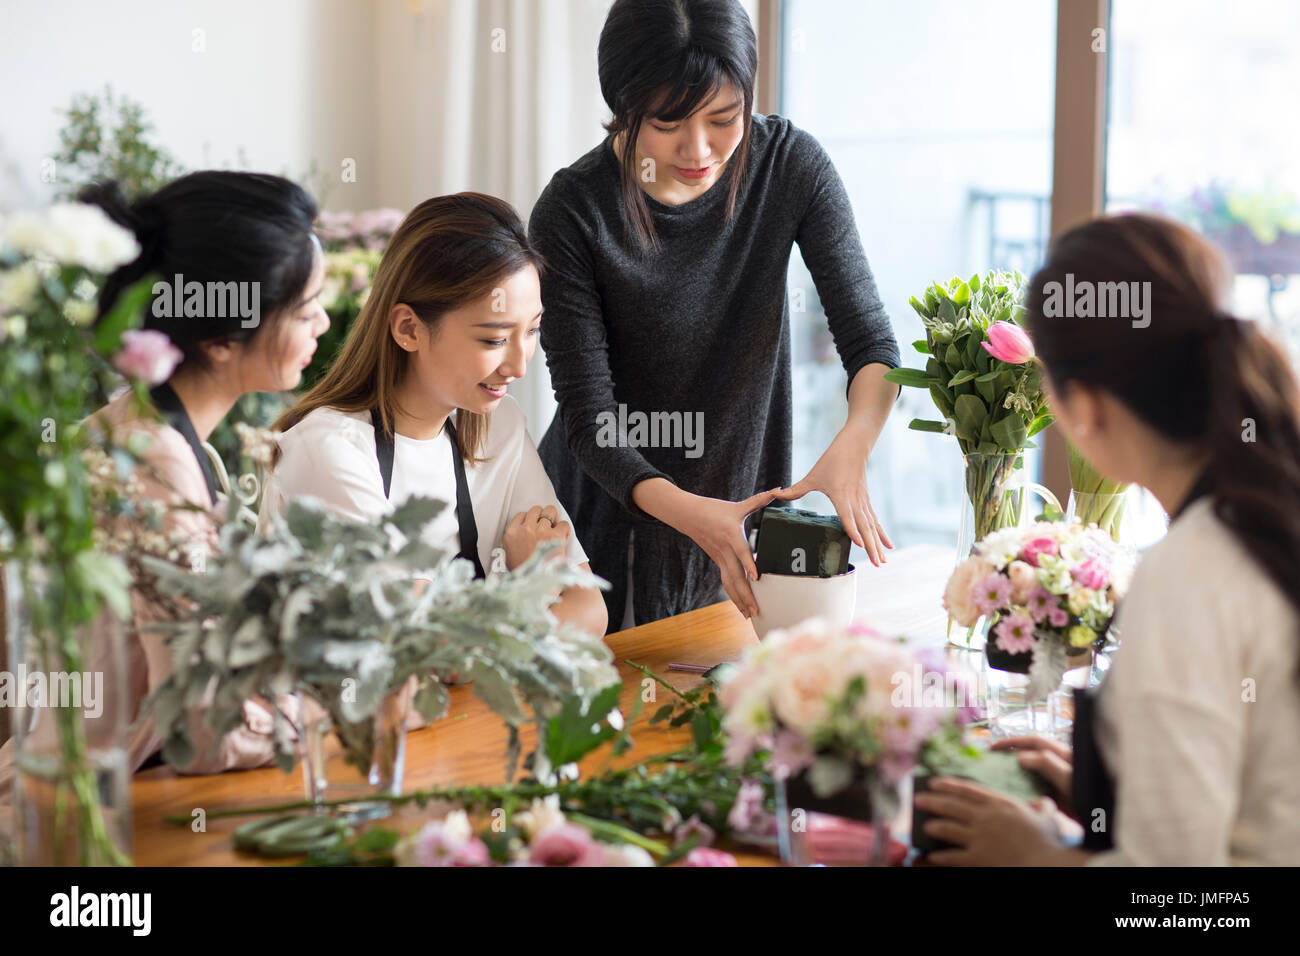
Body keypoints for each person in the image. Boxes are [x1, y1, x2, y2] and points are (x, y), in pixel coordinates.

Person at [916, 213, 1300, 865]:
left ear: (1084, 406)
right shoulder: (1264, 513)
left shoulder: (1190, 578)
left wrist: (1039, 858)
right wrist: (1116, 794)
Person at [530, 0, 901, 630]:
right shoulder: (573, 212)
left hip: (738, 520)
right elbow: (592, 421)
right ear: (624, 107)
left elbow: (870, 341)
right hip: (603, 529)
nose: (699, 148)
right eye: (668, 122)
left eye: (724, 118)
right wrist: (693, 513)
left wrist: (853, 444)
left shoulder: (789, 168)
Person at [1, 171, 329, 806]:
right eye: (305, 306)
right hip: (90, 815)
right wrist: (332, 704)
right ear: (219, 337)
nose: (323, 321)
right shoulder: (155, 460)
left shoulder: (145, 431)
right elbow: (203, 728)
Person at [263, 193, 608, 639]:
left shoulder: (497, 426)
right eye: (493, 340)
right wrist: (528, 585)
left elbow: (587, 611)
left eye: (532, 330)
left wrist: (464, 621)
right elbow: (423, 644)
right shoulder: (327, 450)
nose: (519, 366)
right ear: (409, 329)